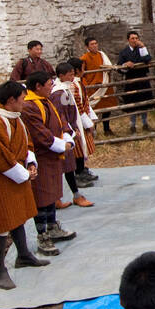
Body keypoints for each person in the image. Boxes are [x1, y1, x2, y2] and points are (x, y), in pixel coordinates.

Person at [0, 81, 50, 290]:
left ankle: (23, 255)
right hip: (2, 180)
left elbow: (26, 145)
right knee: (2, 223)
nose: (24, 102)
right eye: (22, 98)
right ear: (10, 101)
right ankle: (0, 270)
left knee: (19, 215)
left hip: (18, 175)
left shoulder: (16, 119)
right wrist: (24, 174)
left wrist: (31, 163)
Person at [22, 72, 76, 254]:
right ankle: (42, 235)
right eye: (48, 83)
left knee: (52, 193)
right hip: (41, 156)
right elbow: (39, 133)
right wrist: (61, 145)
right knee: (41, 197)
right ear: (38, 86)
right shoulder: (29, 106)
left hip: (53, 156)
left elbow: (61, 121)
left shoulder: (46, 100)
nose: (51, 86)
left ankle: (53, 226)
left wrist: (67, 137)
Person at [52, 64, 96, 207]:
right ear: (61, 76)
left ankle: (63, 196)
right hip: (63, 134)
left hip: (69, 130)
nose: (72, 77)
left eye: (73, 74)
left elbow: (72, 111)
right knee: (64, 166)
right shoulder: (59, 93)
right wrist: (70, 130)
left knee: (67, 166)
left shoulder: (66, 90)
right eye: (69, 75)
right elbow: (62, 114)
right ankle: (63, 197)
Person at [117, 30, 153, 133]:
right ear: (128, 40)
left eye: (136, 38)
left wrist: (143, 47)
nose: (135, 40)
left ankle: (145, 123)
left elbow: (147, 59)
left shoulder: (141, 49)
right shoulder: (124, 52)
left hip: (142, 78)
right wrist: (125, 65)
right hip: (131, 80)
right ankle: (132, 125)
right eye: (133, 38)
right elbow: (119, 68)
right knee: (132, 103)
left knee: (144, 102)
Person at [80, 37, 117, 136]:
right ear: (87, 47)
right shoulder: (84, 58)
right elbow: (81, 73)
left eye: (96, 43)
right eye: (92, 44)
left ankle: (106, 128)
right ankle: (93, 130)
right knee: (93, 110)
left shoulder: (102, 55)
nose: (95, 46)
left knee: (107, 108)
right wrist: (86, 85)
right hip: (92, 87)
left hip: (104, 85)